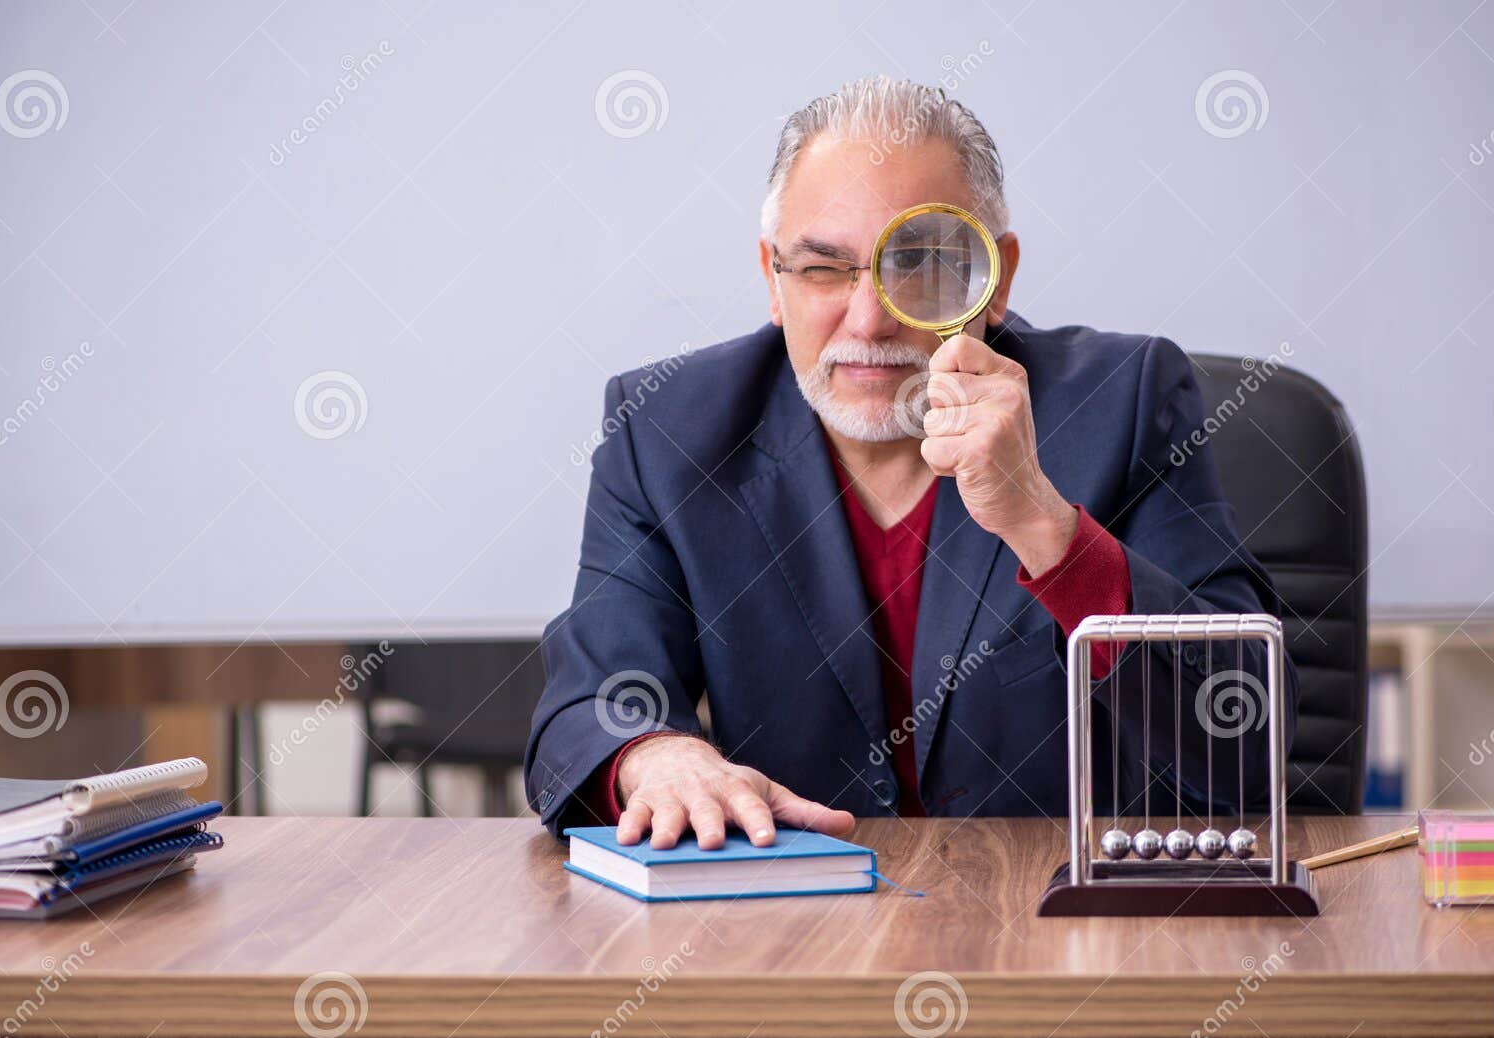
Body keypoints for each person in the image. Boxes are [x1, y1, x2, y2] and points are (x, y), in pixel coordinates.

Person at [526, 76, 1293, 849]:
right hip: (790, 934)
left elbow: (1244, 735)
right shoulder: (665, 430)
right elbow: (587, 703)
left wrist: (1045, 527)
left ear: (995, 279)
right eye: (824, 269)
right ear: (772, 279)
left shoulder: (1122, 402)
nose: (870, 318)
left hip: (1053, 928)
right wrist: (657, 758)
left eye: (920, 264)